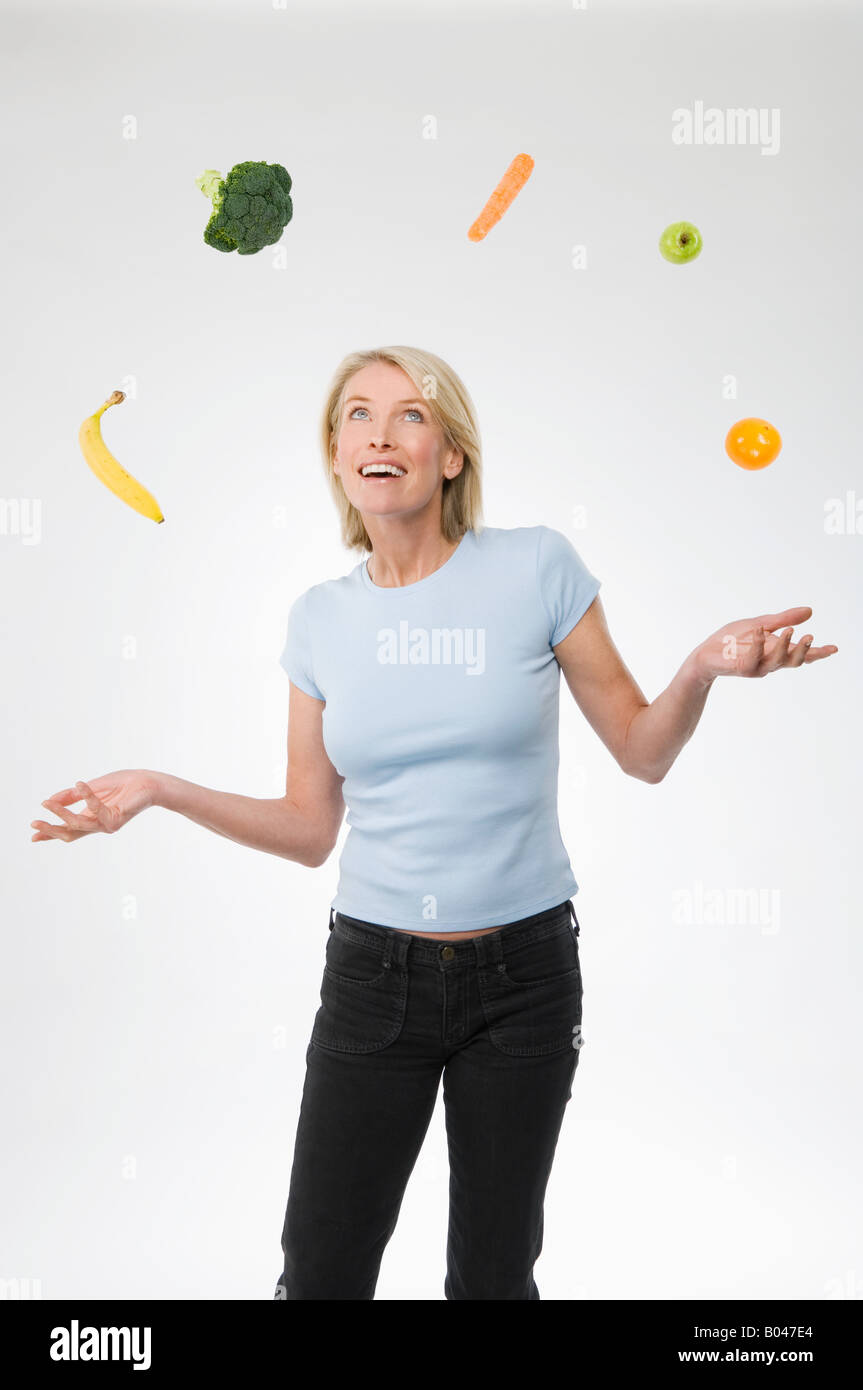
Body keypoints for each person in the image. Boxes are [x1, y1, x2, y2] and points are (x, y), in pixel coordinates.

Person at [31, 345, 838, 1301]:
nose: (380, 432)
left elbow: (641, 750)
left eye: (409, 415)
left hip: (525, 979)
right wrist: (161, 789)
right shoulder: (320, 621)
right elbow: (306, 828)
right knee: (323, 1273)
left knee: (494, 1281)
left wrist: (699, 668)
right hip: (376, 982)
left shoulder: (536, 566)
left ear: (449, 454)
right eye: (356, 416)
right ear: (336, 457)